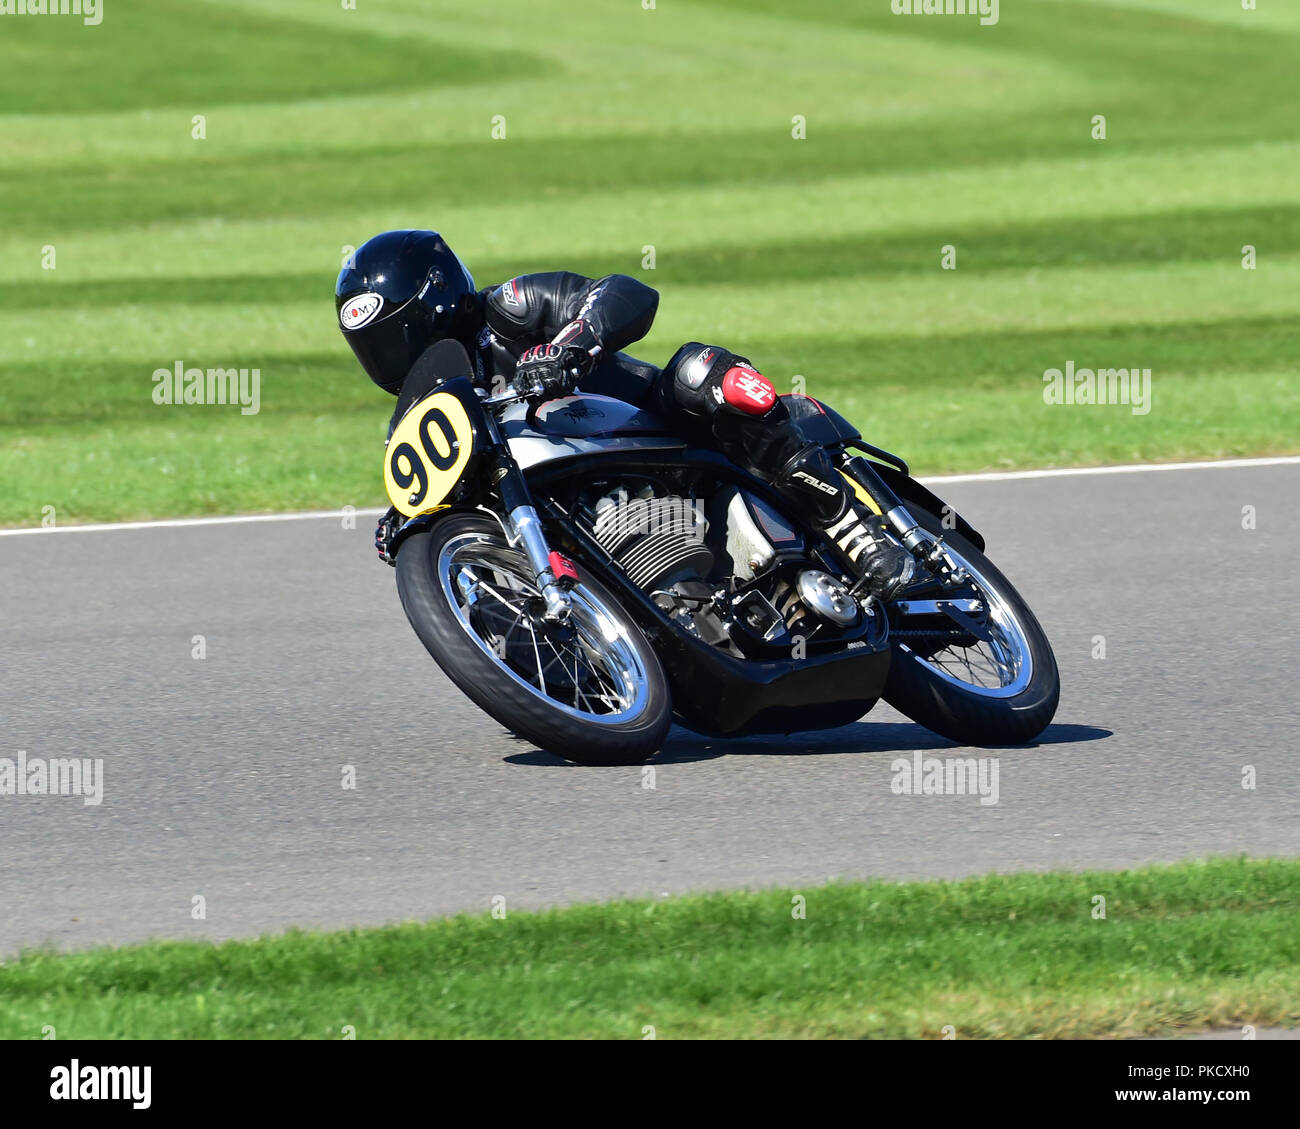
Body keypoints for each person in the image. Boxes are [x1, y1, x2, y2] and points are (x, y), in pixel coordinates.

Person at [336, 228, 913, 597]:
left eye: (399, 333)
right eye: (376, 344)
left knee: (702, 372)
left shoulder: (506, 308)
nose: (391, 355)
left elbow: (627, 292)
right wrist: (405, 519)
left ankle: (848, 525)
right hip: (575, 508)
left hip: (660, 427)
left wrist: (571, 346)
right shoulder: (422, 411)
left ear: (436, 301)